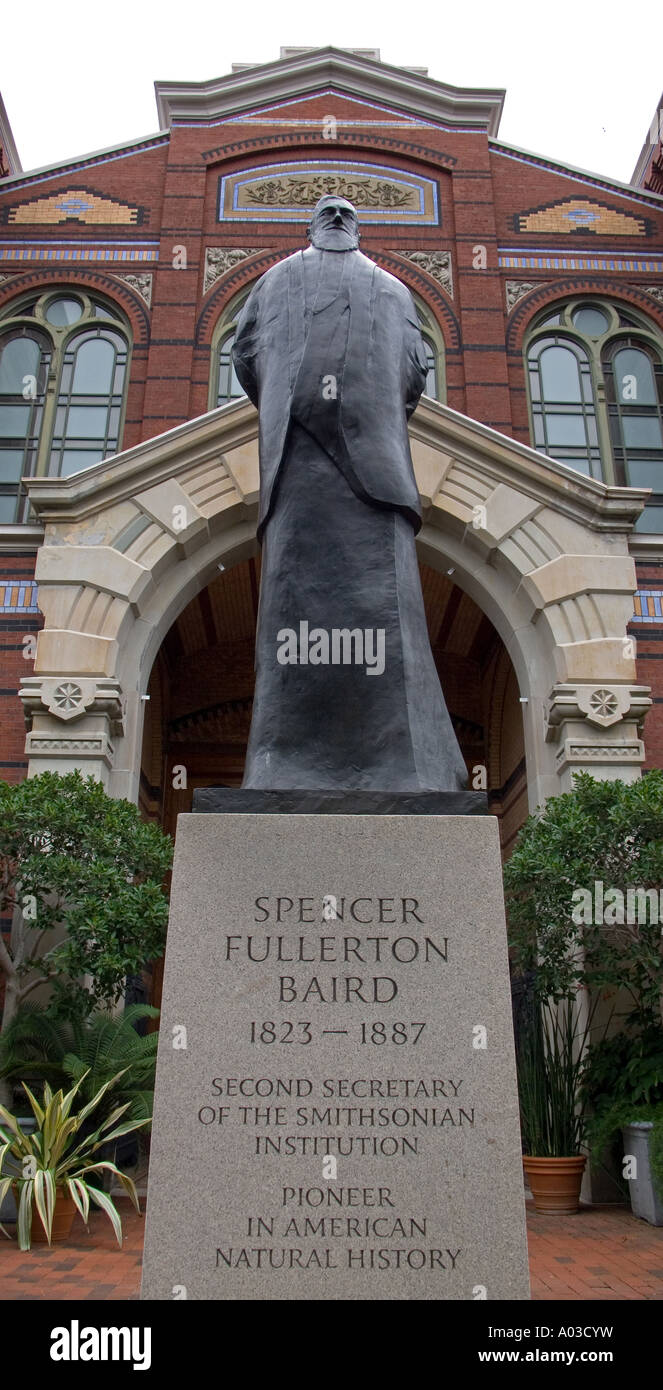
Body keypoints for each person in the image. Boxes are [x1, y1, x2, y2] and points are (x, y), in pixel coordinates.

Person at [232, 195, 467, 793]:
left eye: (343, 213)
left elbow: (248, 359)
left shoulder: (385, 289)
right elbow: (414, 374)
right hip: (306, 466)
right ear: (312, 226)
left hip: (363, 476)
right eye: (328, 212)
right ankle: (281, 767)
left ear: (353, 229)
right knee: (296, 615)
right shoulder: (298, 281)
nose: (336, 220)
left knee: (383, 618)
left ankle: (404, 770)